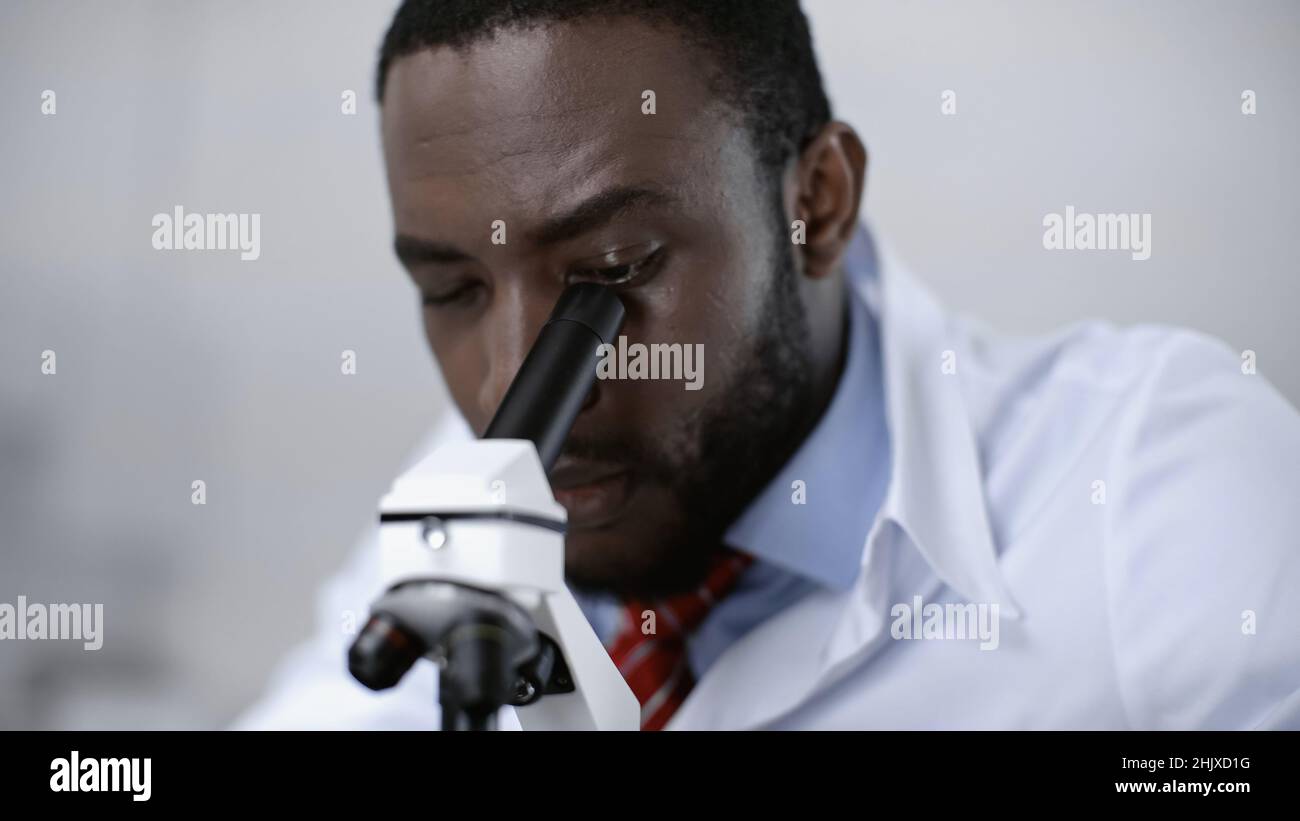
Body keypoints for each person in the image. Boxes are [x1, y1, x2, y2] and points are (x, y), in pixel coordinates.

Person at [234, 0, 1300, 730]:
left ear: (815, 204)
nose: (510, 388)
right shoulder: (465, 504)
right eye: (451, 290)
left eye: (612, 269)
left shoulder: (1160, 486)